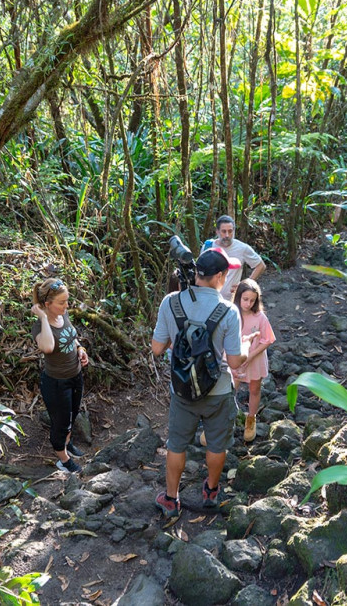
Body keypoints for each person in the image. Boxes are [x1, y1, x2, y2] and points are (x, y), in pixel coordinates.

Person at [151, 248, 255, 518]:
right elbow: (233, 363)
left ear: (197, 272)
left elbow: (157, 348)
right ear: (220, 276)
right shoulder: (228, 311)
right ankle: (210, 490)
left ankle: (171, 499)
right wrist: (244, 345)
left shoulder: (170, 302)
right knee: (216, 445)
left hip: (182, 389)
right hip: (217, 390)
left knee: (176, 444)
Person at [30, 278, 89, 474]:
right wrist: (44, 318)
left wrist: (80, 349)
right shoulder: (40, 326)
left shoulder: (63, 315)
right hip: (56, 383)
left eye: (67, 301)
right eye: (62, 302)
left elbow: (71, 337)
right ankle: (63, 459)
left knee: (72, 414)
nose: (67, 306)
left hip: (75, 376)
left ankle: (67, 442)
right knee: (61, 421)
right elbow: (47, 347)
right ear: (47, 305)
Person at [231, 279, 276, 443]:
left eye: (252, 300)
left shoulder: (260, 317)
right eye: (245, 299)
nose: (248, 303)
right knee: (230, 389)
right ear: (238, 297)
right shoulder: (232, 313)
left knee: (254, 388)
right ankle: (224, 419)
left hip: (254, 359)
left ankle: (251, 418)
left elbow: (268, 339)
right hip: (234, 358)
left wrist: (250, 356)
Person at [204, 215, 266, 301]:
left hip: (231, 300)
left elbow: (261, 265)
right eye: (223, 231)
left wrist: (244, 285)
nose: (227, 235)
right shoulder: (208, 246)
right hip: (209, 298)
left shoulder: (242, 248)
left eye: (230, 231)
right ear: (217, 232)